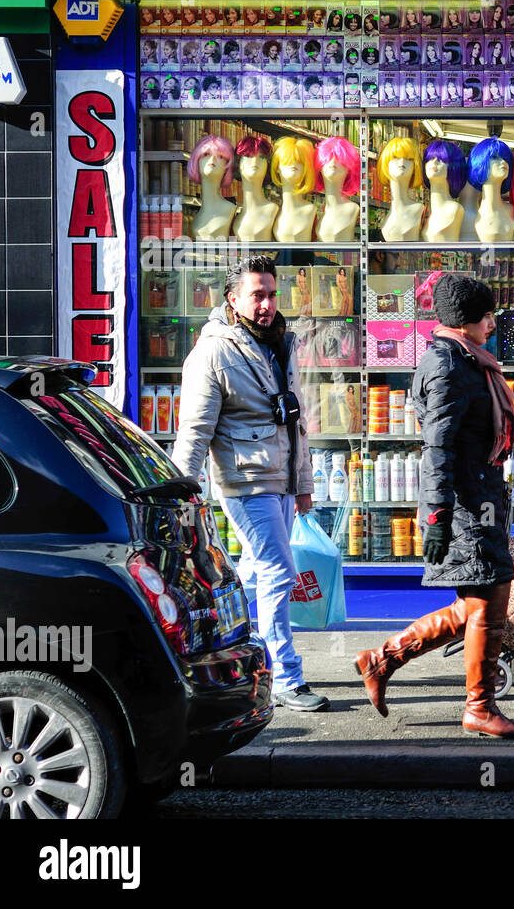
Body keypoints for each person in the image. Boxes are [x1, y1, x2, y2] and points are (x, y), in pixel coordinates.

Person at [353, 275, 514, 738]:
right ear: (465, 321)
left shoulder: (469, 360)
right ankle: (479, 707)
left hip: (480, 495)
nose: (492, 323)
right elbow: (437, 449)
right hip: (464, 503)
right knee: (488, 602)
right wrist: (435, 517)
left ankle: (381, 660)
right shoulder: (449, 366)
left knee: (478, 604)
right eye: (485, 316)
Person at [172, 255, 325, 711]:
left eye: (272, 294)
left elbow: (293, 422)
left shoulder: (278, 340)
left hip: (278, 480)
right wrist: (182, 495)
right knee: (279, 573)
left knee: (255, 573)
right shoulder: (213, 352)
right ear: (233, 299)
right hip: (244, 482)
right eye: (257, 295)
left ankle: (229, 655)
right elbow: (194, 431)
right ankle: (284, 677)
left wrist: (302, 484)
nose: (267, 304)